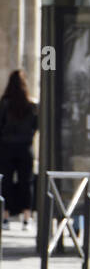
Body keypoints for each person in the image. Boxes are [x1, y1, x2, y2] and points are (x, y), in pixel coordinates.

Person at [0, 69, 38, 231]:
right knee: (26, 182)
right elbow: (36, 126)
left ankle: (5, 217)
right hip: (25, 148)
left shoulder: (4, 103)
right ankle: (26, 218)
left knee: (6, 182)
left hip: (6, 148)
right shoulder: (31, 104)